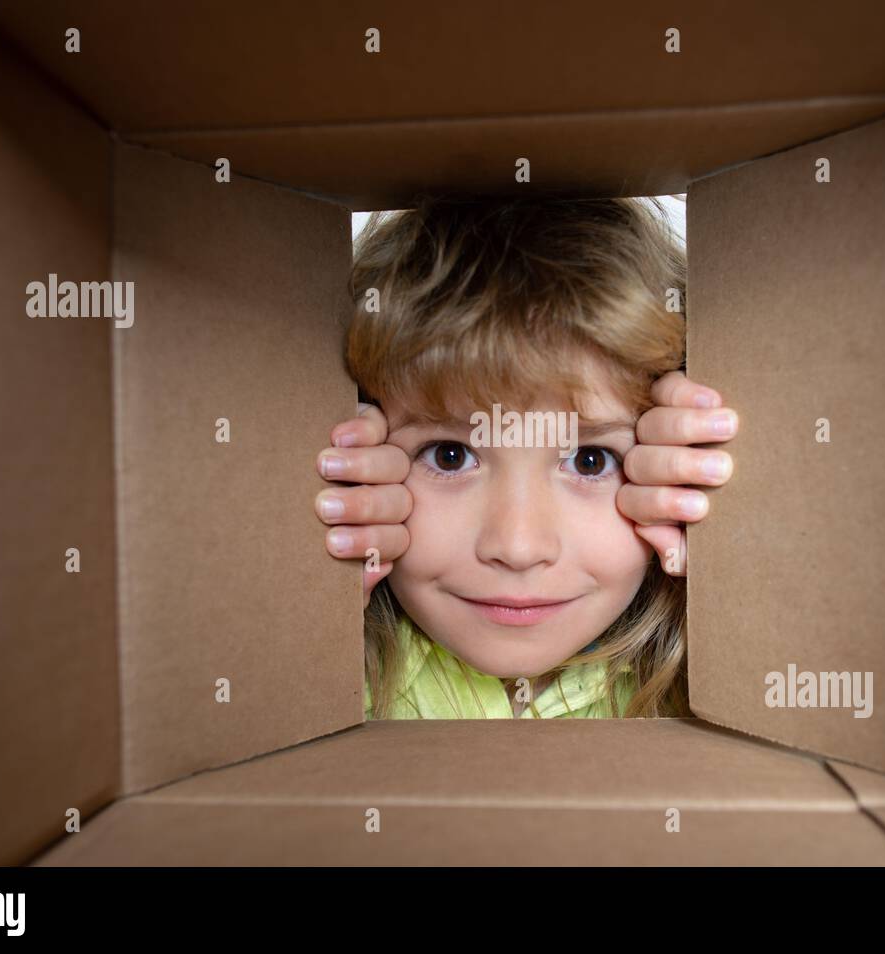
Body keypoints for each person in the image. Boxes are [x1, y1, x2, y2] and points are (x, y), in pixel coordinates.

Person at [314, 196, 738, 718]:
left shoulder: (704, 681)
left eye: (590, 460)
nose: (517, 547)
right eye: (450, 456)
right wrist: (305, 611)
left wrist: (736, 571)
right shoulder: (333, 678)